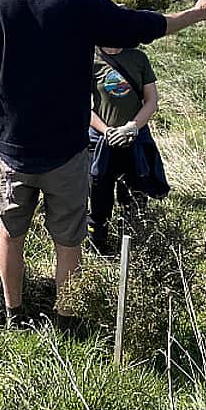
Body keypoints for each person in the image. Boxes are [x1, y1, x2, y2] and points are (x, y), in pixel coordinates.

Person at [0, 0, 206, 328]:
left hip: (10, 151)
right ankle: (66, 319)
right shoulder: (79, 5)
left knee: (10, 235)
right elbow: (144, 25)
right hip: (67, 151)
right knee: (68, 241)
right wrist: (197, 13)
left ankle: (14, 315)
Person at [87, 45, 169, 255]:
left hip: (135, 142)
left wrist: (131, 127)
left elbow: (151, 101)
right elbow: (82, 106)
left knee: (135, 201)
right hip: (99, 144)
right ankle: (99, 250)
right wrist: (107, 131)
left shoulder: (138, 58)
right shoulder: (88, 57)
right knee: (98, 201)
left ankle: (134, 252)